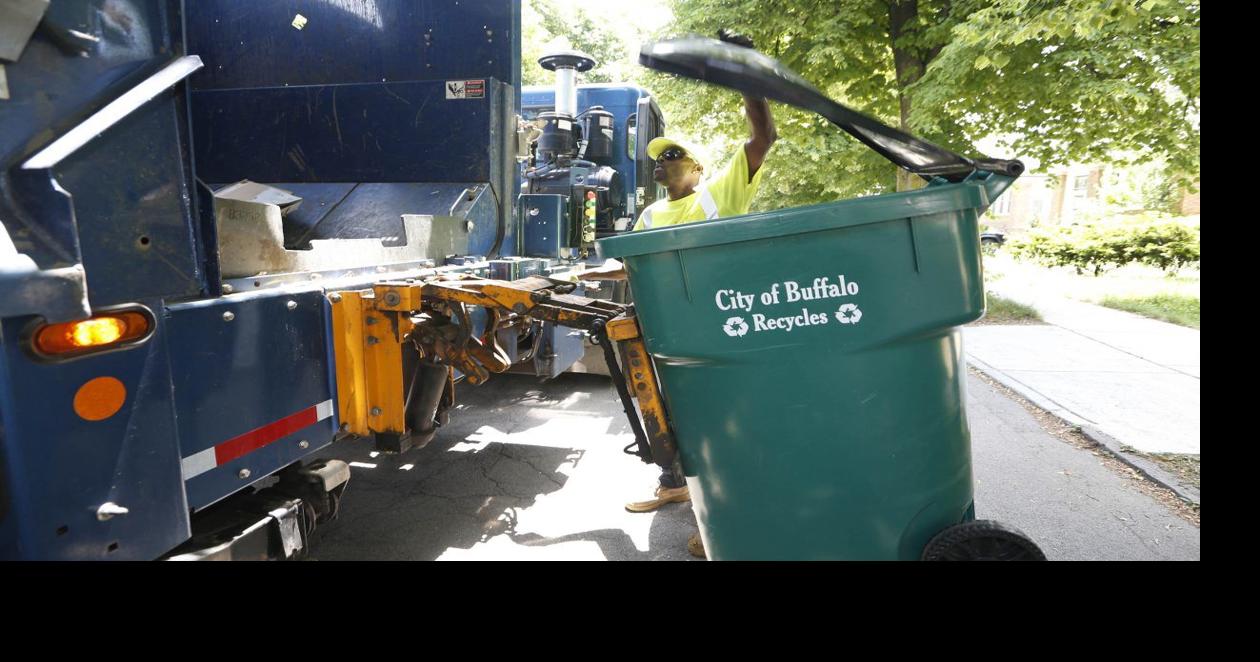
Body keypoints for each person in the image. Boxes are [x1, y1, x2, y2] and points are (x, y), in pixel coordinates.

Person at [581, 31, 777, 558]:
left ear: (699, 169)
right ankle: (674, 486)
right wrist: (580, 276)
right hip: (664, 327)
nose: (665, 164)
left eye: (677, 158)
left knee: (717, 421)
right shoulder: (651, 214)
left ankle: (722, 518)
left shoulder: (720, 194)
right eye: (662, 159)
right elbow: (631, 263)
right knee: (663, 409)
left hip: (712, 325)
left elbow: (763, 139)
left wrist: (748, 78)